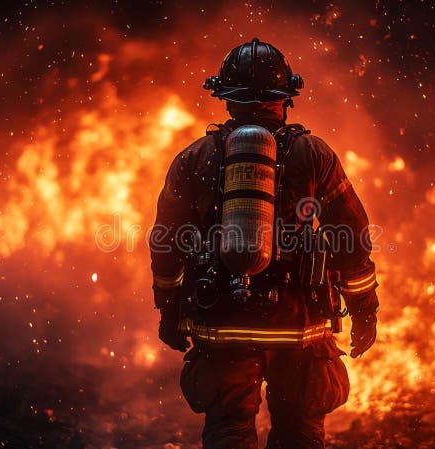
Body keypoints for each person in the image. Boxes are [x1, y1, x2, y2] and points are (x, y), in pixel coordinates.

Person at [150, 38, 379, 449]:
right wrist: (365, 310)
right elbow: (353, 238)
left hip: (223, 326)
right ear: (286, 97)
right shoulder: (313, 155)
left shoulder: (195, 158)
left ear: (225, 98)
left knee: (229, 431)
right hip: (300, 327)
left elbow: (167, 242)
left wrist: (168, 310)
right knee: (300, 434)